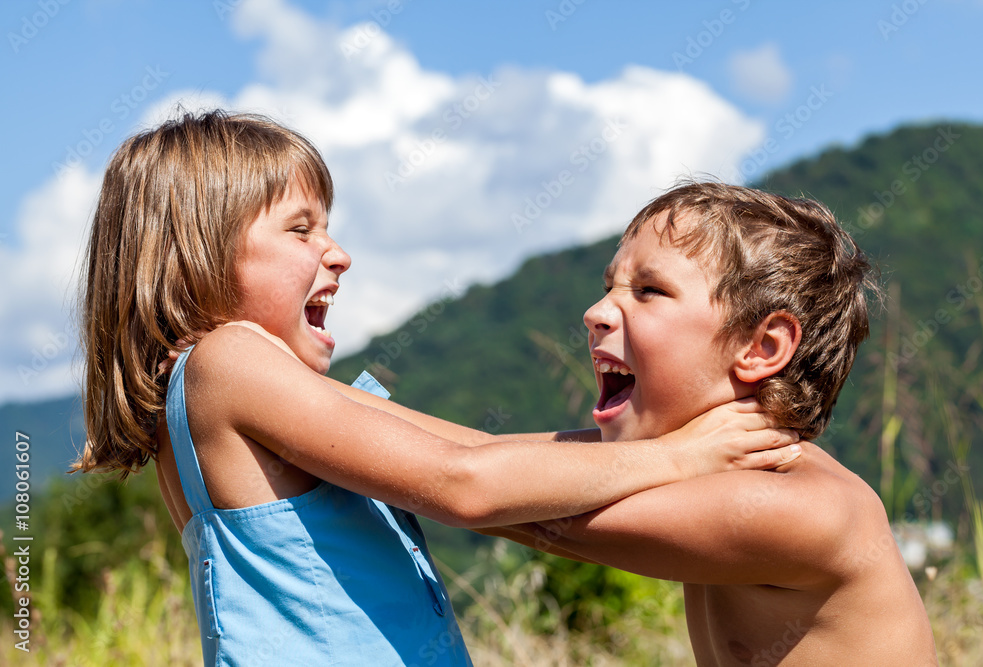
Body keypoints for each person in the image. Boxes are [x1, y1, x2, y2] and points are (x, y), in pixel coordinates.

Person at [71, 112, 802, 666]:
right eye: (301, 229)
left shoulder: (235, 387)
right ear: (200, 248)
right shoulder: (229, 363)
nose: (338, 253)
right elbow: (463, 483)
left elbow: (478, 450)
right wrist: (681, 455)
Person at [487, 182, 938, 665]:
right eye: (608, 288)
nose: (594, 313)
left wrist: (675, 456)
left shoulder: (797, 508)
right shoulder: (703, 463)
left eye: (649, 291)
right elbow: (483, 459)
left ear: (761, 348)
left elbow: (474, 486)